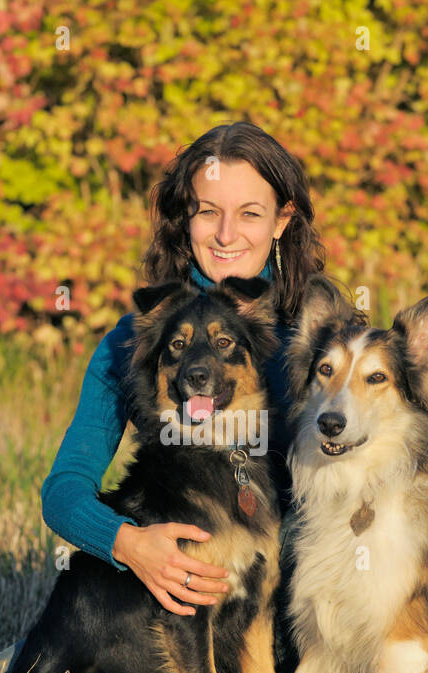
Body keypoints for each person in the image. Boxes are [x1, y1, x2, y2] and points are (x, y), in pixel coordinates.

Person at [40, 121, 328, 618]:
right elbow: (64, 488)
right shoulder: (134, 340)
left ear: (282, 220)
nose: (226, 234)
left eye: (250, 213)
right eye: (208, 212)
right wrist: (127, 544)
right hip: (181, 615)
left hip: (306, 616)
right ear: (184, 218)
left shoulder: (319, 336)